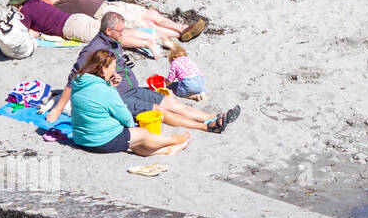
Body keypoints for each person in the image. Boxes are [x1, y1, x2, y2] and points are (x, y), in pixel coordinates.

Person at [43, 12, 237, 134]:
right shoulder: (93, 50)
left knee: (170, 102)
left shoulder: (114, 41)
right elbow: (73, 79)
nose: (123, 33)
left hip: (134, 90)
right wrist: (57, 109)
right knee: (160, 111)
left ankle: (213, 116)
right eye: (120, 30)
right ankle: (207, 127)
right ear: (109, 31)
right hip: (118, 98)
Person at [69, 50, 191, 156]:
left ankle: (166, 150)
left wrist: (110, 86)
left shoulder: (79, 82)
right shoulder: (105, 91)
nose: (114, 70)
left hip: (80, 138)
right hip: (98, 142)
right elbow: (126, 118)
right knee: (143, 133)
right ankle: (173, 140)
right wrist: (112, 90)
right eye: (113, 67)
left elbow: (96, 99)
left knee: (134, 141)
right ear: (103, 69)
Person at [37, 0, 205, 45]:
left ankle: (180, 28)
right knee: (144, 23)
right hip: (102, 15)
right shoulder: (55, 10)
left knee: (150, 14)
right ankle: (180, 33)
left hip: (110, 5)